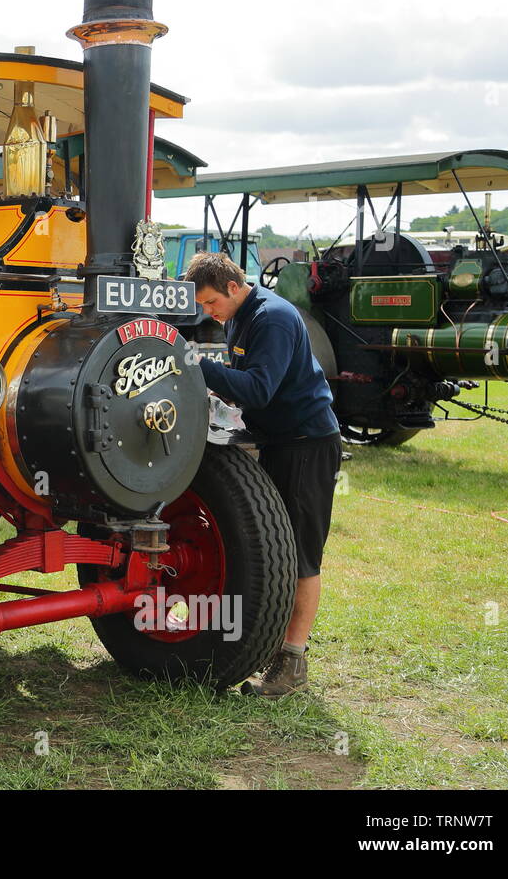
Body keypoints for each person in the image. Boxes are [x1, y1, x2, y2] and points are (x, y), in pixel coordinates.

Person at [183, 252, 342, 697]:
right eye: (202, 306)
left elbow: (257, 389)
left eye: (212, 302)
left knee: (302, 556)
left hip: (307, 444)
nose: (209, 313)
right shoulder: (239, 316)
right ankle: (273, 648)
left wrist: (196, 364)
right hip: (279, 440)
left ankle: (292, 662)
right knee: (278, 549)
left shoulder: (271, 318)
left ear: (234, 287)